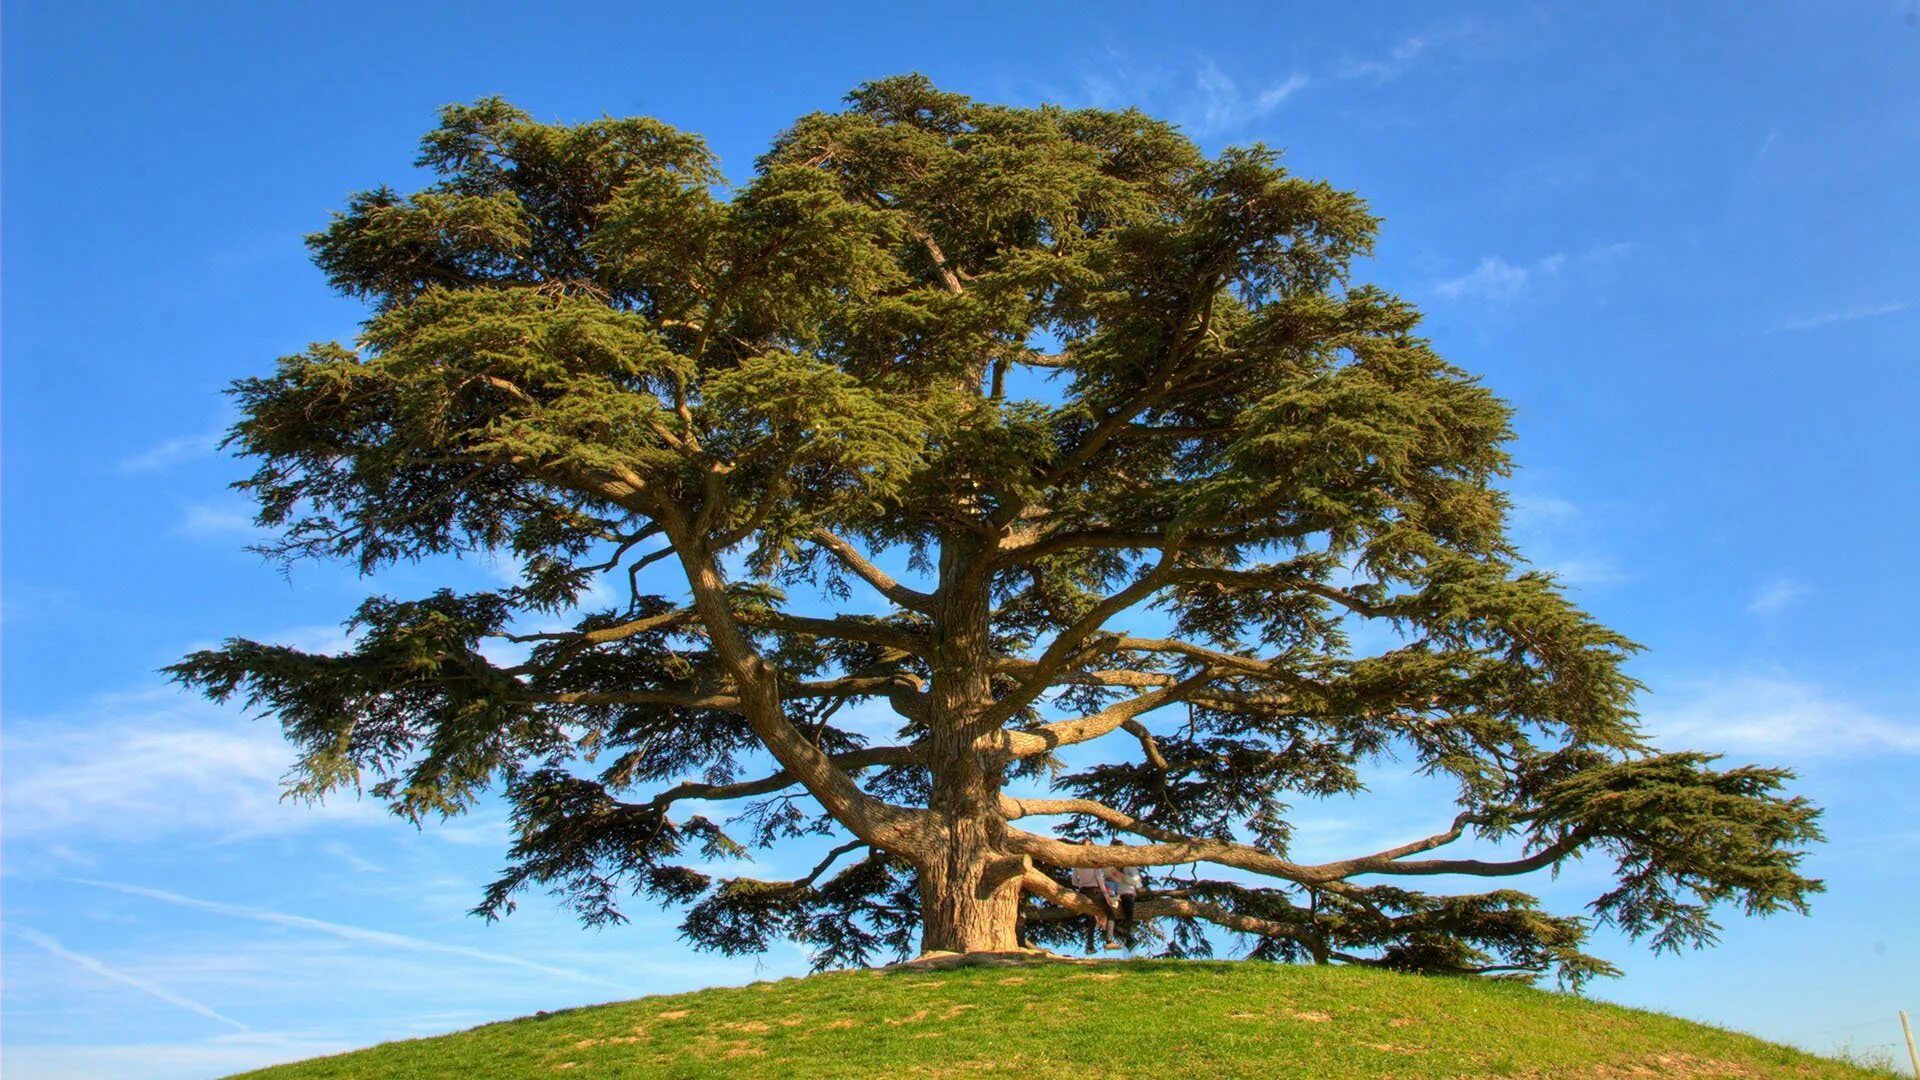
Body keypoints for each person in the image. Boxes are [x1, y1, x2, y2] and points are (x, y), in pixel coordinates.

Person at [1067, 864, 1117, 953]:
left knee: (1092, 920)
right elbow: (1099, 878)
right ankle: (1109, 941)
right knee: (1110, 914)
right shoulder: (1094, 864)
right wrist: (1105, 894)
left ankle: (1090, 947)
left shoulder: (1077, 865)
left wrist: (1082, 884)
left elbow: (1074, 882)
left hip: (1082, 893)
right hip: (1094, 892)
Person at [1104, 841, 1140, 949]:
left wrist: (1123, 876)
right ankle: (1118, 937)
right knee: (1107, 914)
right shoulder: (1109, 865)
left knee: (1128, 913)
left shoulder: (1129, 865)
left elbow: (1136, 880)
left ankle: (1128, 936)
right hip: (1112, 893)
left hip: (1126, 892)